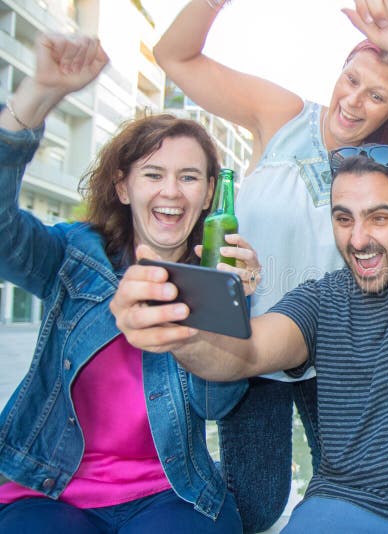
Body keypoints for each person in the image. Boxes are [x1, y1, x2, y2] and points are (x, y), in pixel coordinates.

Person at [111, 2, 388, 532]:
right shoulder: (283, 115)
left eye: (377, 95)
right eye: (352, 79)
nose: (355, 100)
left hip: (339, 353)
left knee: (354, 480)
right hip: (263, 328)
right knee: (259, 502)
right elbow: (175, 57)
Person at [0, 33, 262, 533]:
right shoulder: (73, 253)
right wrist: (37, 93)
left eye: (189, 177)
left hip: (170, 492)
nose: (170, 191)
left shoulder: (221, 276)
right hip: (50, 490)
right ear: (123, 186)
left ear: (209, 193)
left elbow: (217, 405)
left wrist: (223, 312)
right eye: (153, 174)